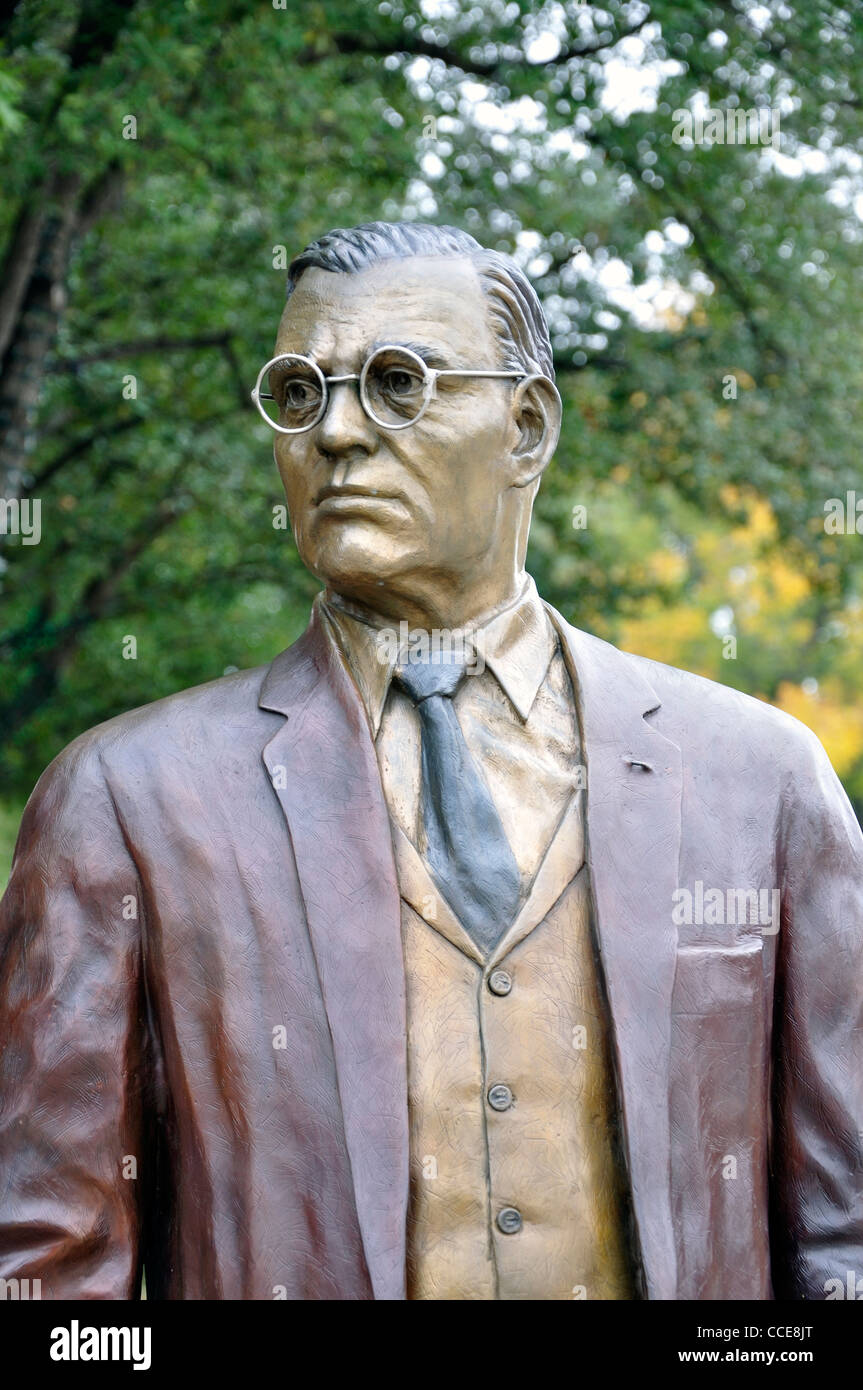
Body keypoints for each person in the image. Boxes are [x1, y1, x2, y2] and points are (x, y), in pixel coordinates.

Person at [0, 221, 861, 1300]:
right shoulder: (126, 800)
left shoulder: (763, 782)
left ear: (527, 425)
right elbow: (44, 1265)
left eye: (397, 383)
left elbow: (845, 1240)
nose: (338, 433)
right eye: (300, 392)